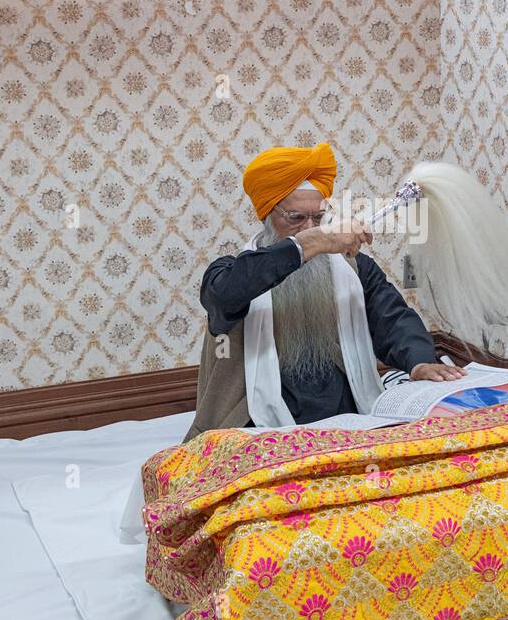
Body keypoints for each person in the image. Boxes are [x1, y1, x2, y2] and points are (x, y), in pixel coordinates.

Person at [185, 141, 465, 438]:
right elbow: (227, 293)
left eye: (318, 218)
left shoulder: (353, 269)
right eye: (296, 219)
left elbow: (393, 319)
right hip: (256, 424)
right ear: (268, 217)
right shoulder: (231, 273)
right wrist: (314, 242)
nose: (309, 227)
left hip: (343, 414)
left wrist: (418, 361)